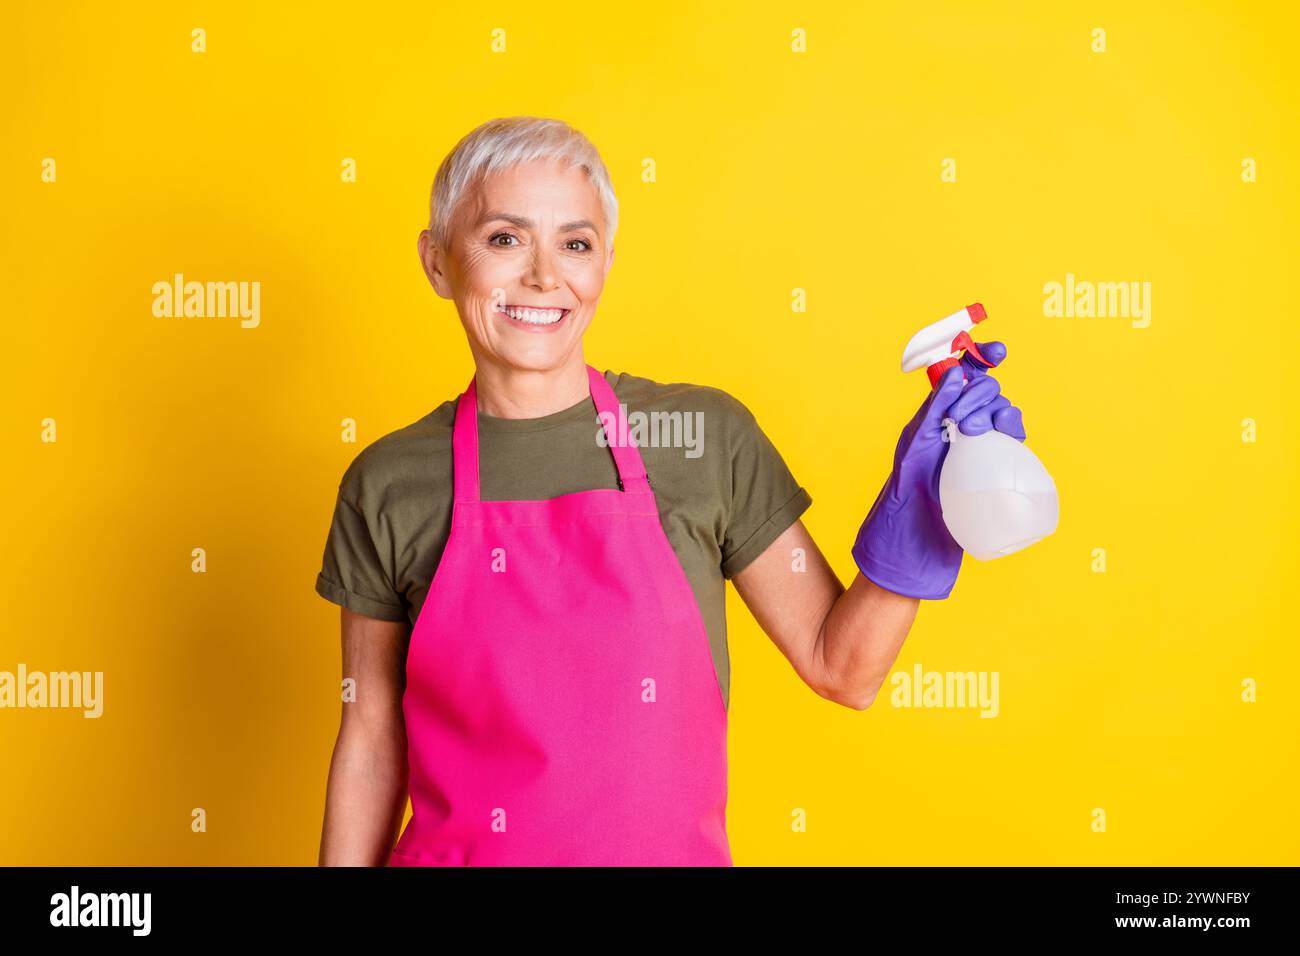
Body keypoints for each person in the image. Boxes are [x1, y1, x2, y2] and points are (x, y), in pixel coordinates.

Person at [315, 116, 1027, 867]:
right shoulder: (389, 482)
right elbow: (370, 736)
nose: (544, 276)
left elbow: (842, 668)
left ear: (605, 266)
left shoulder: (700, 438)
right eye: (504, 238)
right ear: (437, 261)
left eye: (575, 244)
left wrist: (917, 508)